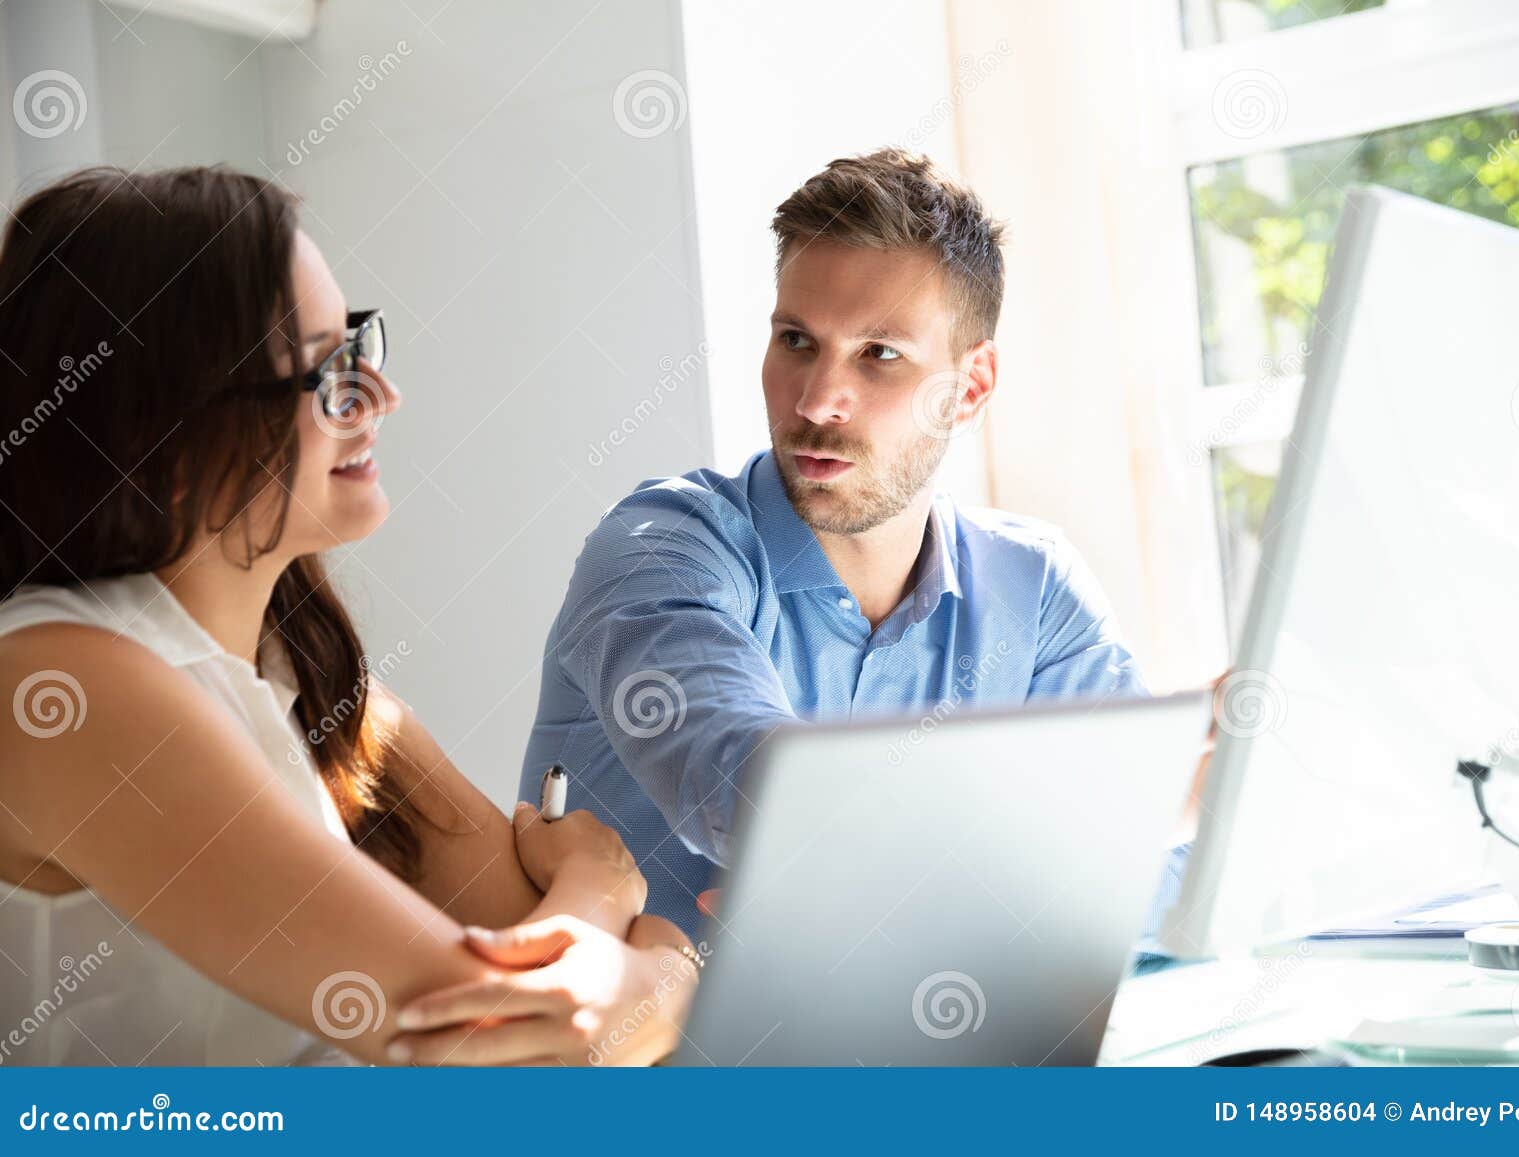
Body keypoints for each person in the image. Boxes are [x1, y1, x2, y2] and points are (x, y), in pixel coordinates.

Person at [0, 166, 696, 1067]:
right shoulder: (62, 683)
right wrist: (604, 894)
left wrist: (644, 974)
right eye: (326, 371)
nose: (379, 396)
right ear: (163, 428)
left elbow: (558, 1023)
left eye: (360, 344)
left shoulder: (311, 673)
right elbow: (514, 1046)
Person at [521, 148, 1150, 938]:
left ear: (972, 387)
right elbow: (763, 793)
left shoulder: (1036, 587)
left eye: (879, 354)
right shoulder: (658, 552)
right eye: (796, 340)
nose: (818, 400)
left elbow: (1121, 845)